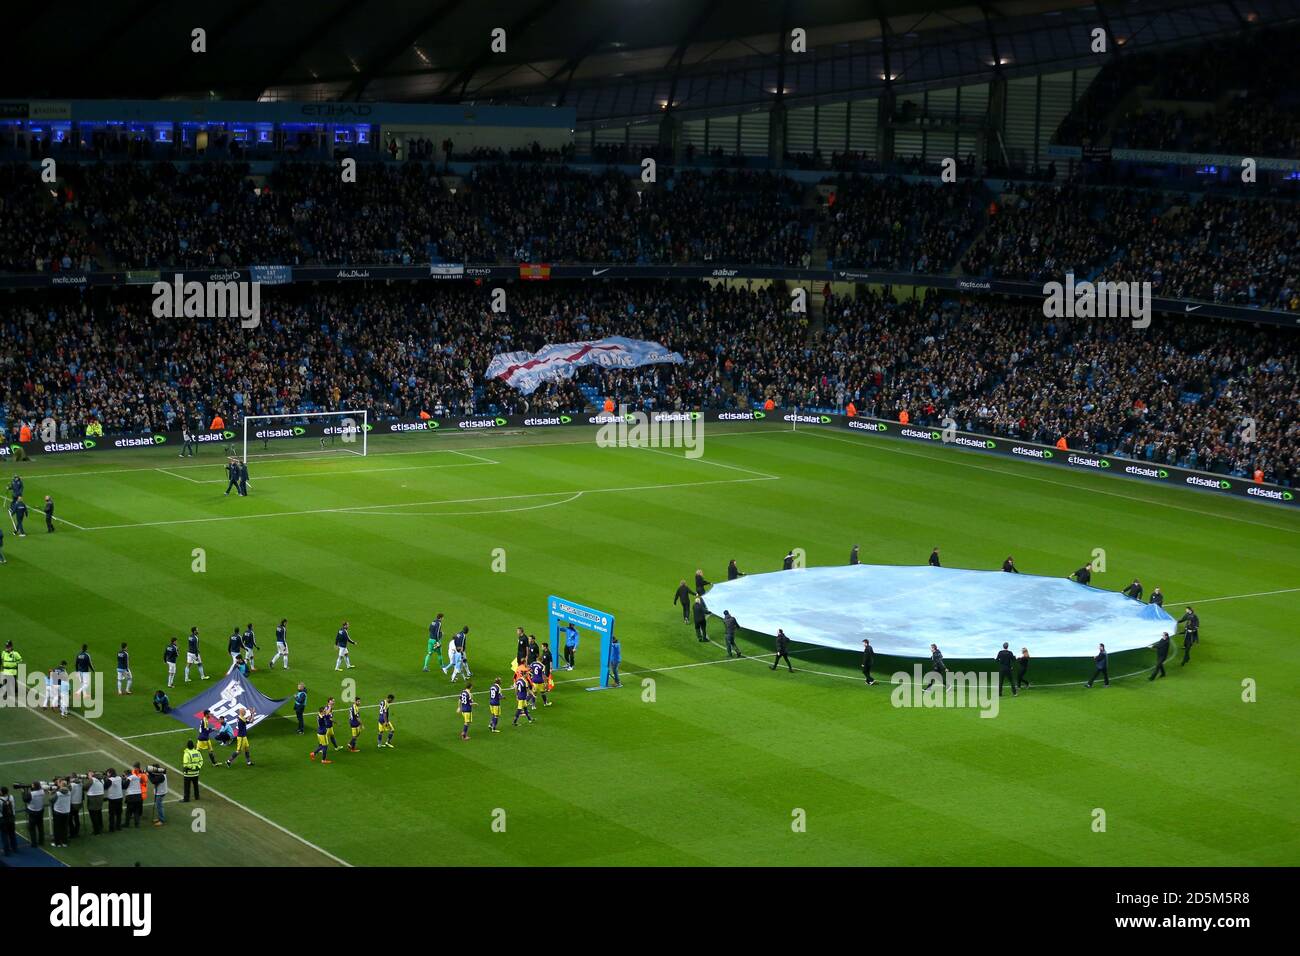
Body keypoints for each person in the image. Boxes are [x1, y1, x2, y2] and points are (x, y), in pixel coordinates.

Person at [22, 781, 45, 847]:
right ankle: (41, 841)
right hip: (40, 811)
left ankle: (34, 843)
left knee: (32, 828)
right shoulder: (42, 791)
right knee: (40, 827)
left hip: (32, 812)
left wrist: (23, 792)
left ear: (34, 786)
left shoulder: (31, 794)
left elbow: (25, 799)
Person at [50, 779, 71, 847]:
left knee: (57, 828)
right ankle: (64, 842)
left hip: (58, 812)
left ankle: (57, 843)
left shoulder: (58, 793)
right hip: (66, 812)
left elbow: (51, 800)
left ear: (61, 785)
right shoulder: (69, 792)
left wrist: (52, 793)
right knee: (64, 828)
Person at [85, 771, 104, 835]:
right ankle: (100, 827)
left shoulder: (92, 780)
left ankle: (96, 830)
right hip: (100, 798)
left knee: (93, 814)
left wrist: (90, 777)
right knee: (99, 813)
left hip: (93, 799)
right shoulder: (102, 780)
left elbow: (85, 787)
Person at [0, 786, 16, 856]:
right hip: (11, 818)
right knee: (12, 834)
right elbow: (13, 807)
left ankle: (7, 851)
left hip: (3, 819)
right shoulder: (11, 797)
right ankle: (15, 848)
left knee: (4, 835)